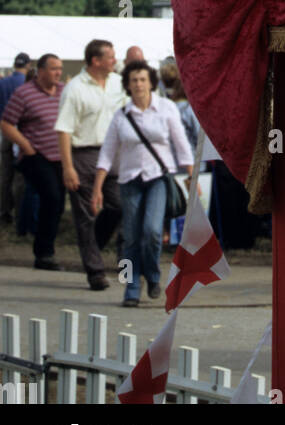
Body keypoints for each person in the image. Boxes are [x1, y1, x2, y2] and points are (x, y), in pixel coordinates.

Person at [92, 60, 193, 307]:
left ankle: (153, 275)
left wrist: (191, 175)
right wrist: (97, 187)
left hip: (159, 177)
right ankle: (131, 287)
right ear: (127, 84)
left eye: (142, 79)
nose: (138, 84)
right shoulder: (122, 115)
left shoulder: (167, 108)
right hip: (129, 180)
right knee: (131, 238)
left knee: (152, 232)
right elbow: (107, 152)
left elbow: (181, 144)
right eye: (134, 80)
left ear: (151, 83)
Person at [55, 39, 125, 291]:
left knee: (118, 205)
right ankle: (95, 272)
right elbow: (64, 130)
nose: (114, 60)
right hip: (84, 153)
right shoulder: (75, 88)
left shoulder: (118, 83)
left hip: (114, 153)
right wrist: (68, 167)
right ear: (96, 61)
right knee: (85, 214)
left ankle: (93, 243)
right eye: (110, 57)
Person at [0, 55, 65, 269]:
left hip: (61, 156)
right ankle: (44, 252)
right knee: (51, 196)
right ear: (40, 71)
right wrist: (26, 146)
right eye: (54, 68)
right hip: (36, 155)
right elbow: (7, 123)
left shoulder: (64, 91)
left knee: (56, 201)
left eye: (60, 68)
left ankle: (45, 244)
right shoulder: (25, 93)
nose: (58, 73)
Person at [0, 53, 31, 223]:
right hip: (21, 132)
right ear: (27, 65)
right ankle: (21, 214)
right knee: (20, 175)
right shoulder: (26, 85)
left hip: (4, 131)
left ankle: (4, 211)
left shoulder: (3, 82)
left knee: (5, 174)